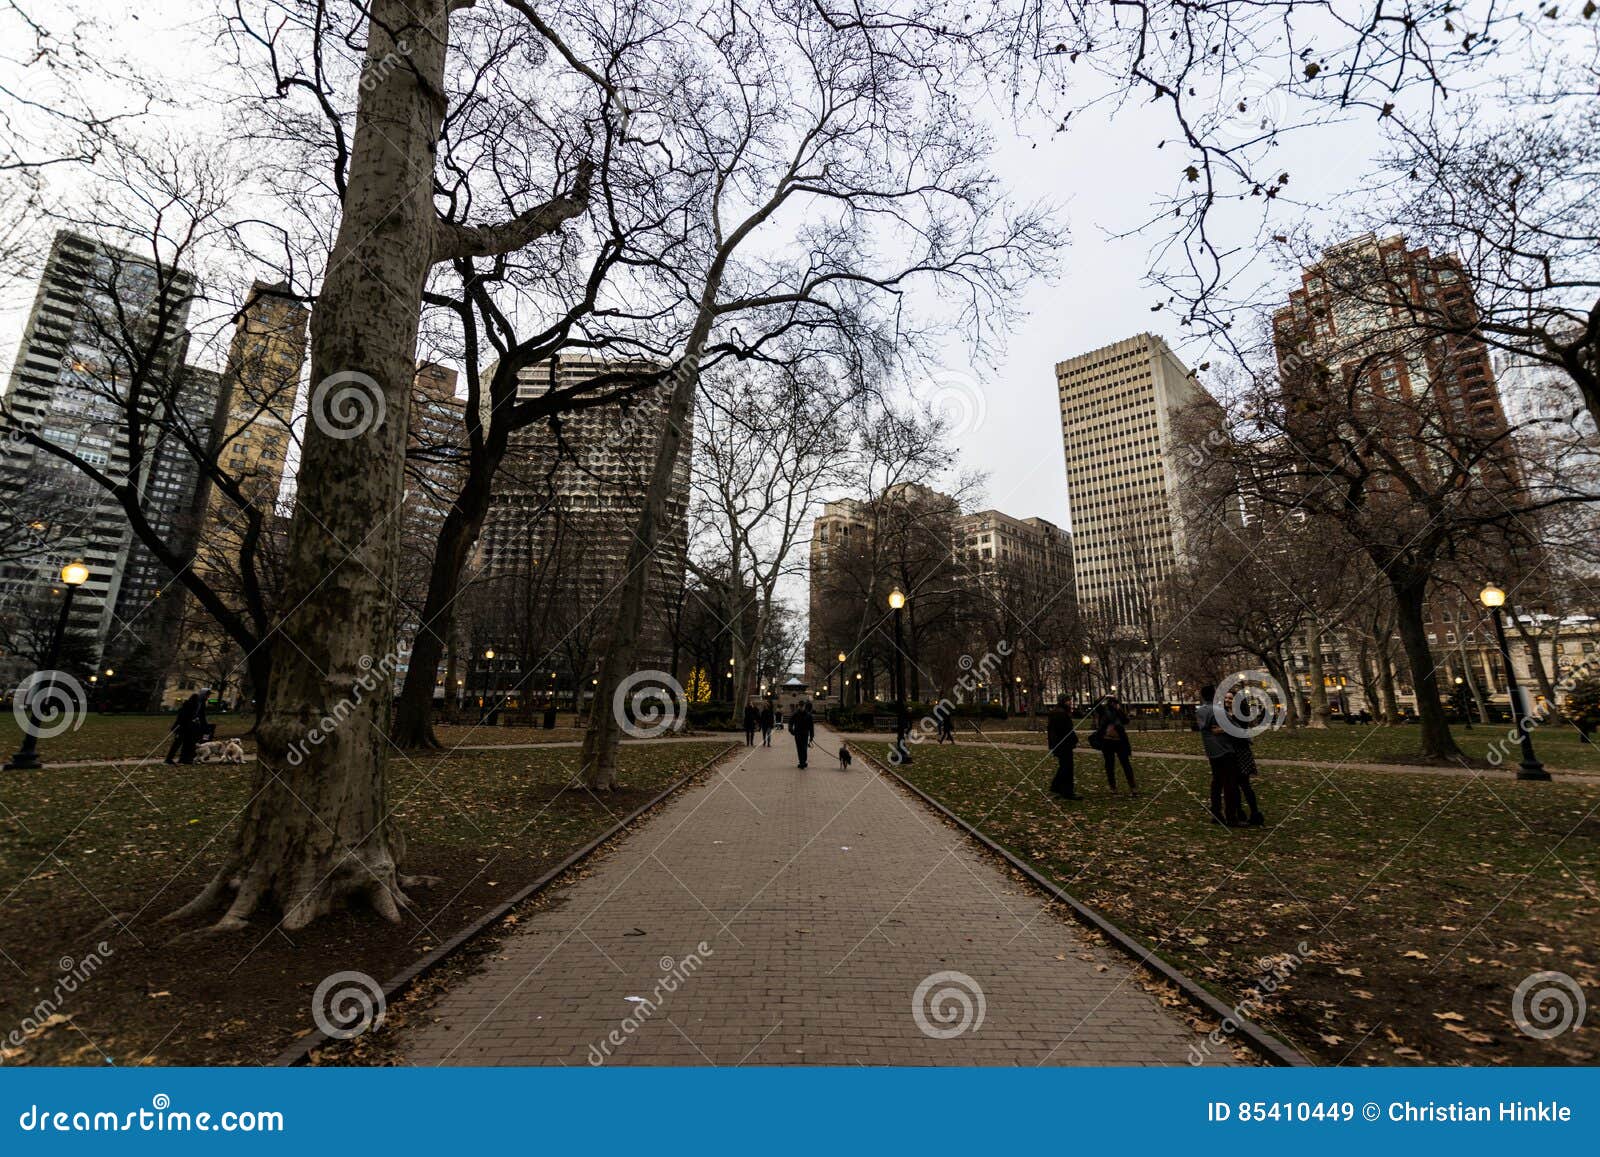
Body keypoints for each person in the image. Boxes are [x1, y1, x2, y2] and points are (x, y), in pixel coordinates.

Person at [1196, 684, 1243, 825]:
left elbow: (1205, 729)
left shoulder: (1200, 712)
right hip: (1225, 750)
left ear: (1203, 696)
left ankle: (1216, 814)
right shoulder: (1219, 711)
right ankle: (1231, 817)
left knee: (1216, 782)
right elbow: (1237, 728)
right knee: (1230, 784)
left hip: (1211, 751)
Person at [1226, 693, 1267, 826]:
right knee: (1234, 785)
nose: (1227, 700)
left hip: (1241, 752)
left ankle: (1255, 813)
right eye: (1226, 698)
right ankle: (1239, 812)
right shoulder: (1224, 714)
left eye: (1230, 698)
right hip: (1230, 753)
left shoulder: (1239, 716)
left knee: (1244, 784)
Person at [1093, 695, 1136, 794]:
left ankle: (1132, 786)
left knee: (1125, 764)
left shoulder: (1119, 713)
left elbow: (1126, 721)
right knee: (1109, 764)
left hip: (1120, 741)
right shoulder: (1103, 711)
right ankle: (1113, 786)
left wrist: (1119, 710)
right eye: (1114, 703)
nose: (1115, 705)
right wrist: (1104, 696)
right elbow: (1096, 704)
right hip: (1107, 741)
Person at [1046, 694, 1081, 799]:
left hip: (1060, 744)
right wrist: (1073, 739)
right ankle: (1066, 791)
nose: (1070, 702)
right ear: (1063, 701)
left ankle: (1058, 788)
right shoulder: (1059, 714)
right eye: (1068, 700)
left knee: (1064, 767)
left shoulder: (1059, 712)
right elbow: (1065, 730)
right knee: (1067, 767)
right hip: (1062, 745)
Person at [166, 689, 209, 765]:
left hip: (190, 727)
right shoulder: (191, 702)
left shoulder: (202, 703)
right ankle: (168, 759)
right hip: (182, 726)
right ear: (203, 694)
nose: (208, 697)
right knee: (177, 743)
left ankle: (185, 759)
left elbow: (202, 716)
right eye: (207, 695)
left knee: (189, 743)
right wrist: (185, 721)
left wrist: (205, 726)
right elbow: (183, 713)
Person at [788, 699, 815, 768]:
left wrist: (811, 736)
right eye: (800, 706)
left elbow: (811, 726)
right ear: (798, 706)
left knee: (804, 748)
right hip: (797, 733)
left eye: (802, 706)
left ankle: (803, 761)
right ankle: (801, 762)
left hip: (805, 734)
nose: (801, 707)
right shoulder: (795, 714)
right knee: (799, 748)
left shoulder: (808, 715)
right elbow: (790, 722)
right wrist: (791, 730)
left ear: (804, 706)